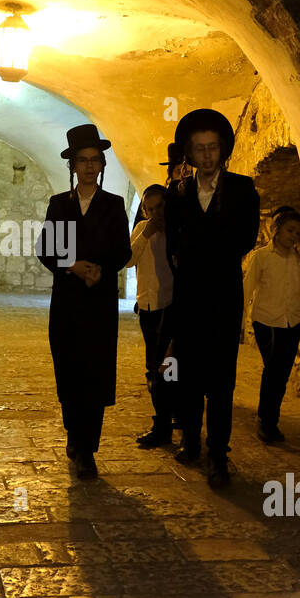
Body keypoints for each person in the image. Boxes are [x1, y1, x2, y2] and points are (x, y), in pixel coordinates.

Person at [164, 108, 261, 487]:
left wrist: (200, 248)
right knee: (187, 372)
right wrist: (200, 250)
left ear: (223, 151)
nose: (206, 155)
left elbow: (245, 238)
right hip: (188, 294)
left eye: (212, 148)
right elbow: (173, 242)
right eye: (199, 149)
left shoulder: (242, 189)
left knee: (221, 377)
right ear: (190, 152)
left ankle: (218, 452)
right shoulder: (180, 193)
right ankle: (191, 440)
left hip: (223, 295)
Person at [35, 124, 132, 479]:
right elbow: (46, 249)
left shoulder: (114, 205)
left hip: (100, 301)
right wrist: (72, 266)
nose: (90, 166)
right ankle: (73, 435)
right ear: (73, 166)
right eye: (83, 160)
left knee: (95, 371)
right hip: (68, 301)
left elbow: (123, 249)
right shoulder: (60, 204)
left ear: (102, 165)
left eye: (95, 160)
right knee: (70, 370)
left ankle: (88, 447)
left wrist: (101, 270)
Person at [247, 207, 300, 442]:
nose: (294, 235)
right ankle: (267, 421)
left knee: (281, 373)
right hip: (267, 320)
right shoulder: (261, 257)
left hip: (292, 321)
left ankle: (270, 419)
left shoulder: (299, 260)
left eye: (297, 232)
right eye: (290, 230)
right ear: (276, 230)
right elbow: (248, 286)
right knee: (272, 369)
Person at [129, 184, 174, 448]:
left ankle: (165, 422)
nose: (155, 213)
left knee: (167, 369)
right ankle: (164, 419)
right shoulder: (141, 230)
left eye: (159, 207)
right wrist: (146, 232)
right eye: (149, 208)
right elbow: (128, 260)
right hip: (146, 306)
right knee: (153, 367)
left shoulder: (175, 232)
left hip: (169, 306)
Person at [133, 142, 192, 226]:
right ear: (170, 173)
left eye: (187, 173)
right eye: (178, 171)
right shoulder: (156, 195)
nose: (182, 177)